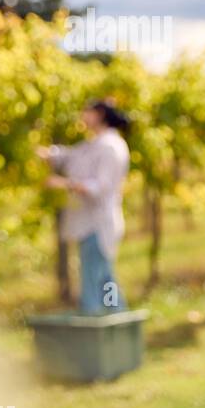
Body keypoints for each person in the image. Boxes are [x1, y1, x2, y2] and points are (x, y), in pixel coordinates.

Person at [39, 100, 132, 315]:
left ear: (99, 114)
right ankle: (118, 319)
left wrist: (65, 183)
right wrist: (50, 154)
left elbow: (101, 186)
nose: (82, 117)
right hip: (90, 223)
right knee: (104, 277)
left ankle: (97, 325)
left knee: (93, 279)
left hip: (98, 223)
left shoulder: (110, 146)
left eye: (86, 112)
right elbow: (73, 154)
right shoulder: (96, 143)